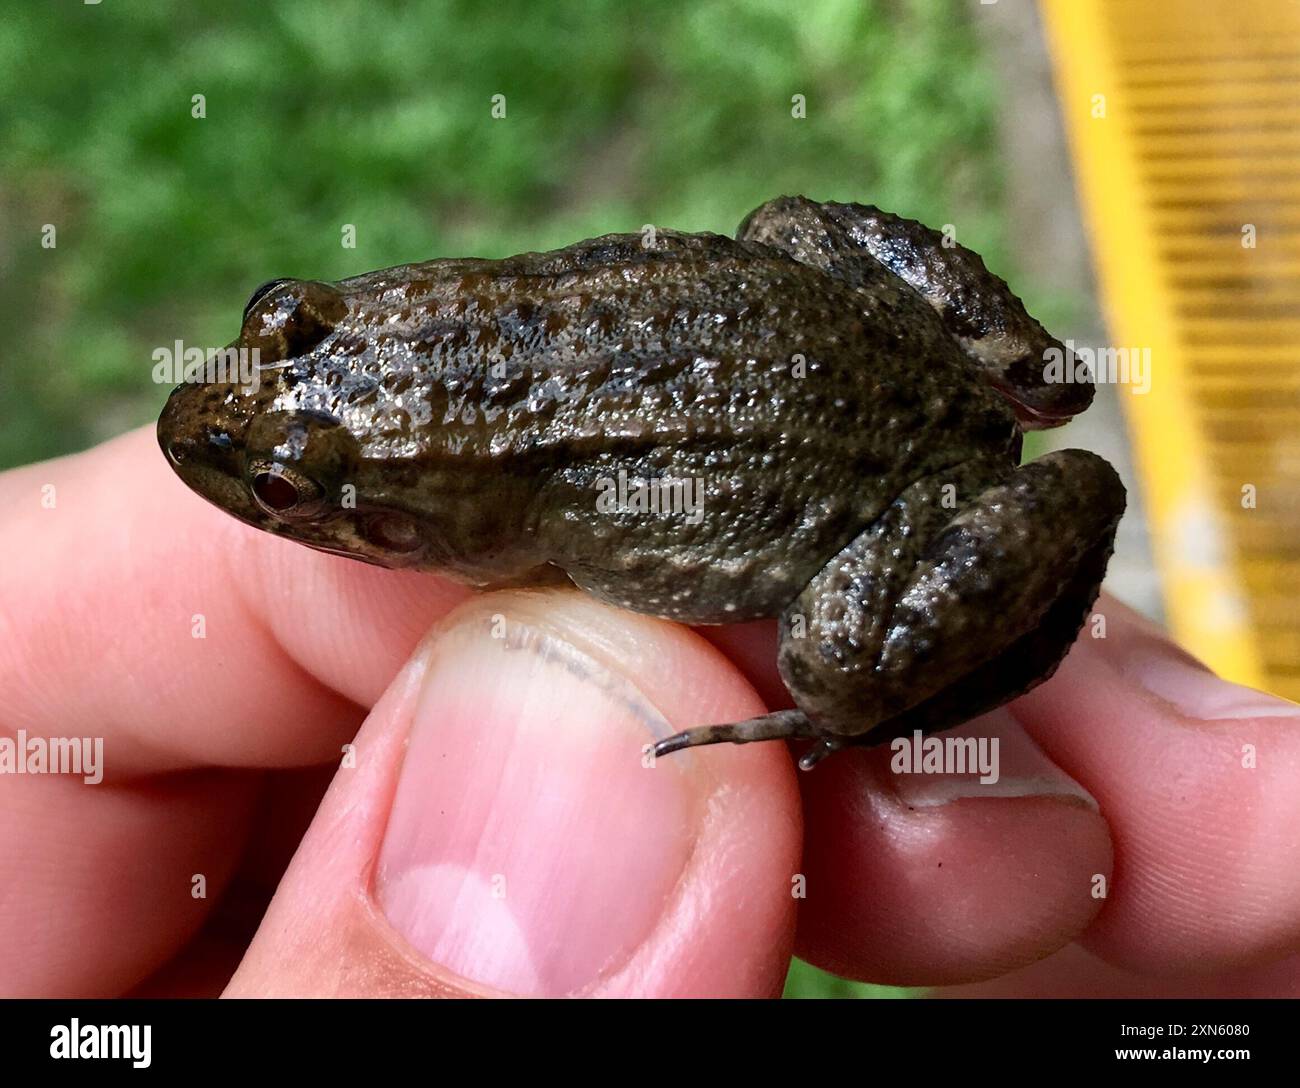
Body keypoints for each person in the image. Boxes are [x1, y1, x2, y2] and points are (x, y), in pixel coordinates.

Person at [2, 427, 1297, 998]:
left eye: (288, 491)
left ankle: (858, 699)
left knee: (840, 666)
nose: (277, 499)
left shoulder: (515, 537)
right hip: (831, 356)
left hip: (880, 472)